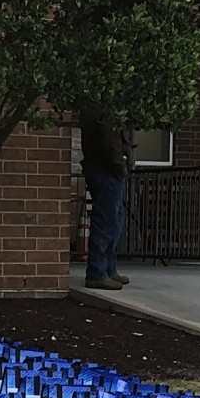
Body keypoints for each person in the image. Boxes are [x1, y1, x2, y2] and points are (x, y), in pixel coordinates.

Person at [79, 110, 132, 291]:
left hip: (103, 170)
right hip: (107, 172)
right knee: (106, 223)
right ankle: (97, 272)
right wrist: (121, 168)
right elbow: (110, 145)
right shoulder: (106, 110)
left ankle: (108, 269)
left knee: (112, 220)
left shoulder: (97, 108)